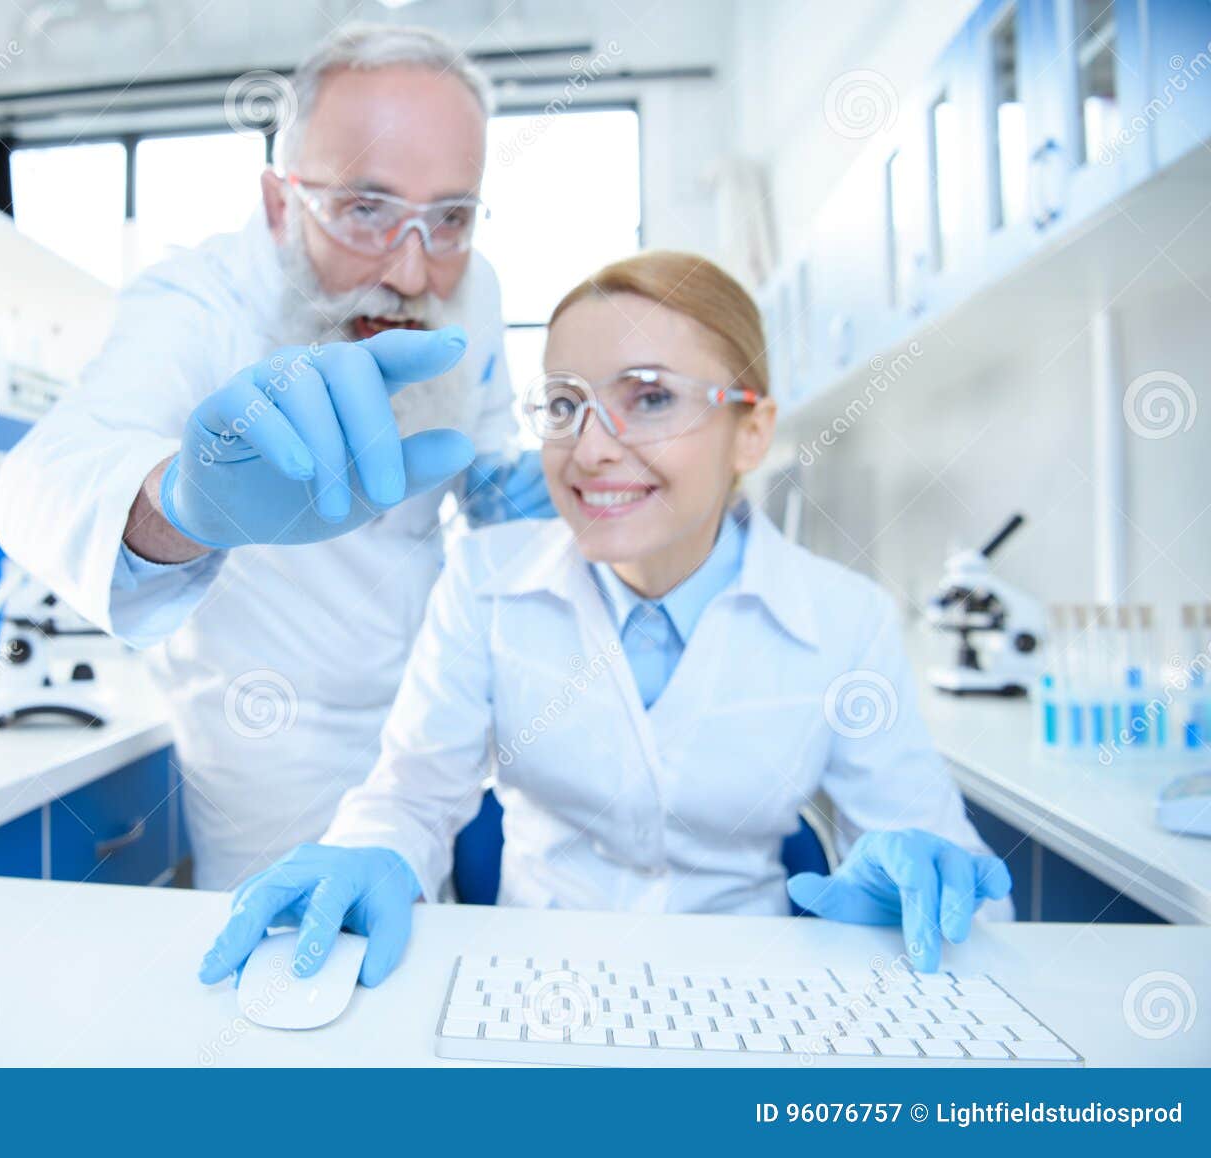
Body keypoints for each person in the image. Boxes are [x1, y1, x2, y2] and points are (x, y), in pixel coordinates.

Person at [199, 251, 1013, 988]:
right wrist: (370, 849)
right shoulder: (485, 579)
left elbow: (959, 882)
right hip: (529, 987)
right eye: (563, 404)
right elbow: (412, 792)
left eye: (651, 397)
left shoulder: (845, 620)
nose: (588, 450)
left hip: (752, 995)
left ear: (751, 430)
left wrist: (933, 889)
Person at [0, 24, 550, 890]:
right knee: (284, 978)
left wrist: (501, 490)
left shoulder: (472, 288)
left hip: (434, 716)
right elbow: (39, 480)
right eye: (366, 208)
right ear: (282, 202)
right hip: (271, 735)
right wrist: (183, 504)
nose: (410, 268)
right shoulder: (199, 302)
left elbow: (481, 446)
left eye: (450, 216)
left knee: (425, 959)